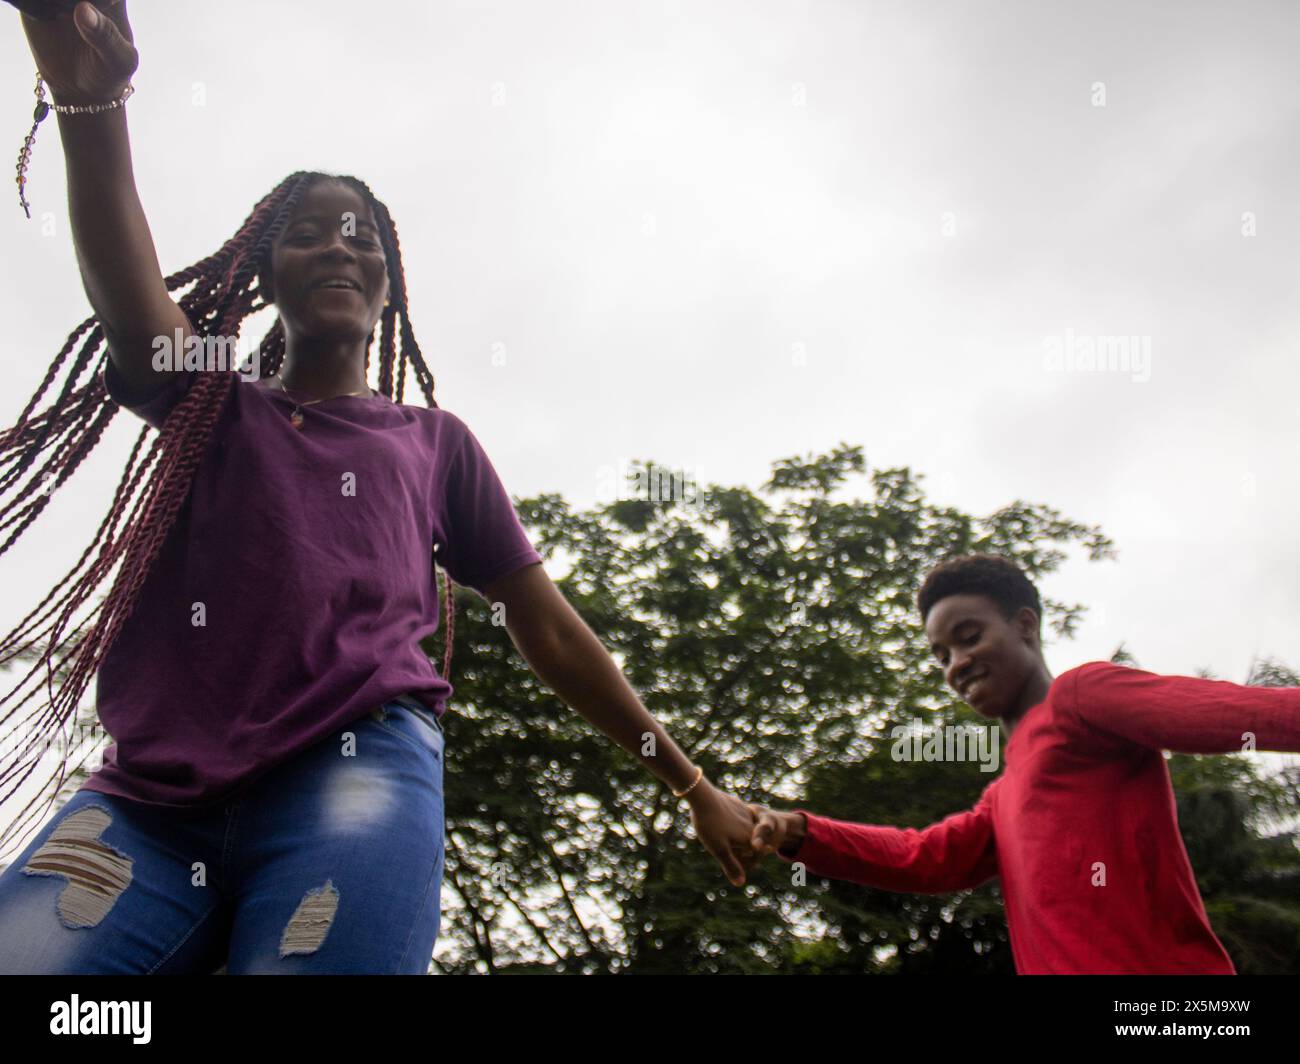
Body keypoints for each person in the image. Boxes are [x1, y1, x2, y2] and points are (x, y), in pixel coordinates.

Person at [0, 0, 757, 974]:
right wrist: (91, 103)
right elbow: (124, 286)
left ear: (389, 282)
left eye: (362, 237)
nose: (337, 247)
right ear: (265, 270)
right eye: (307, 233)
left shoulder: (435, 444)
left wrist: (690, 783)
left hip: (353, 779)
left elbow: (554, 629)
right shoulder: (209, 403)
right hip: (145, 802)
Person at [745, 553, 1300, 974]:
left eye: (968, 638)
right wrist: (798, 832)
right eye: (941, 656)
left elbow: (1235, 714)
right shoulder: (1003, 797)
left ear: (1026, 626)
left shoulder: (1083, 697)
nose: (956, 664)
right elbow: (922, 858)